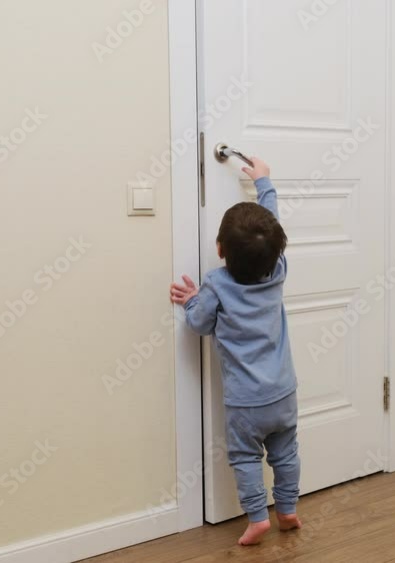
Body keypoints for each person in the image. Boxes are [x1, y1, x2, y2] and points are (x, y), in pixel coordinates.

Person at [169, 157, 302, 546]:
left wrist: (192, 301)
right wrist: (264, 182)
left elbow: (200, 324)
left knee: (245, 458)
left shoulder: (216, 285)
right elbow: (272, 226)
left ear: (220, 249)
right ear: (278, 249)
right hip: (284, 392)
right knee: (286, 453)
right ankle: (289, 509)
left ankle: (259, 517)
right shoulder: (277, 270)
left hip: (245, 402)